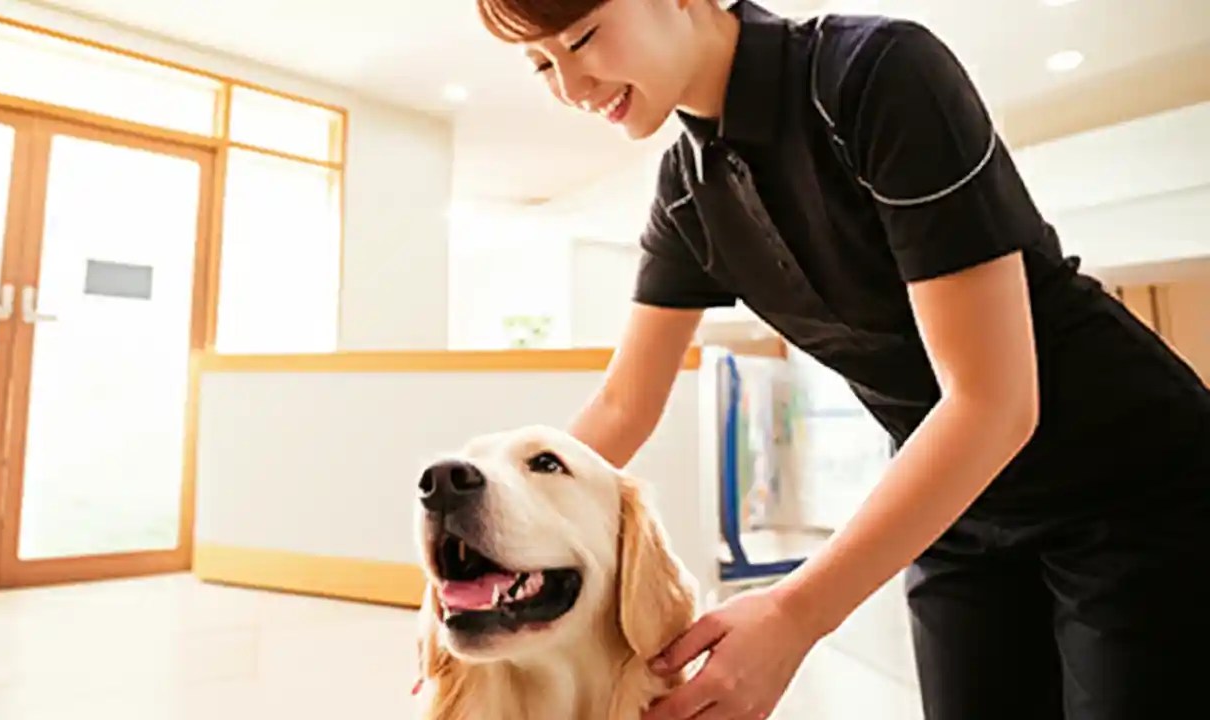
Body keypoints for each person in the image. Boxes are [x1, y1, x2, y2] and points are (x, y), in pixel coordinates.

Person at [475, 1, 1210, 718]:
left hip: (1128, 482)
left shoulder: (875, 73)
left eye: (583, 38)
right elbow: (621, 407)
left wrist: (795, 615)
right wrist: (476, 552)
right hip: (960, 511)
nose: (569, 88)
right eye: (541, 64)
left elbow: (992, 399)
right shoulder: (684, 193)